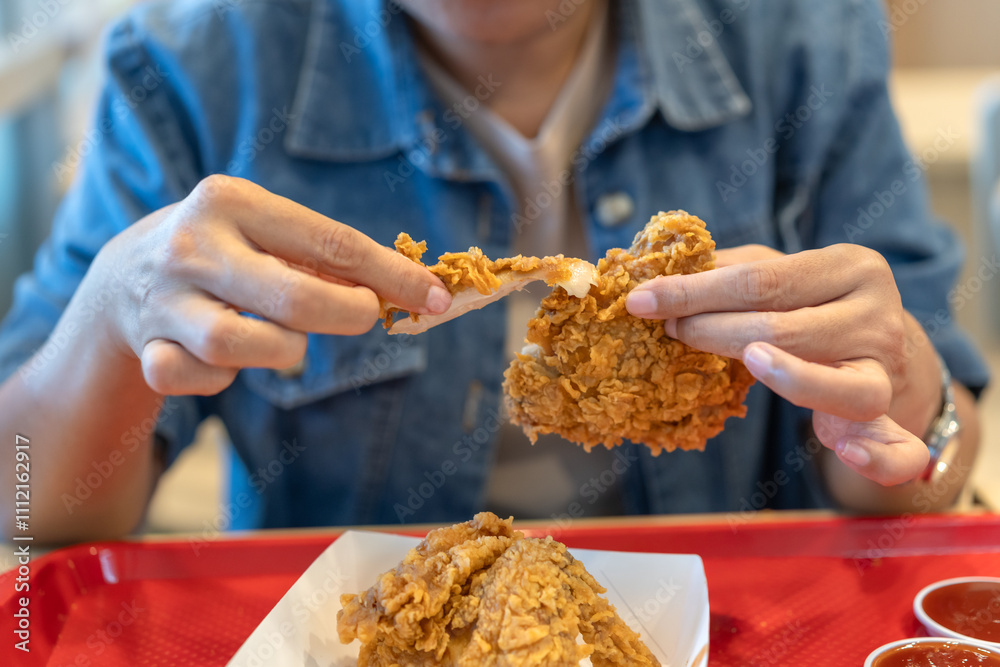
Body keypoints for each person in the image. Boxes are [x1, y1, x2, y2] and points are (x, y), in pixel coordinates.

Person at [0, 0, 988, 544]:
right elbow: (25, 499)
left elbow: (926, 476)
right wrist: (105, 325)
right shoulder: (187, 68)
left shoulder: (803, 40)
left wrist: (907, 406)